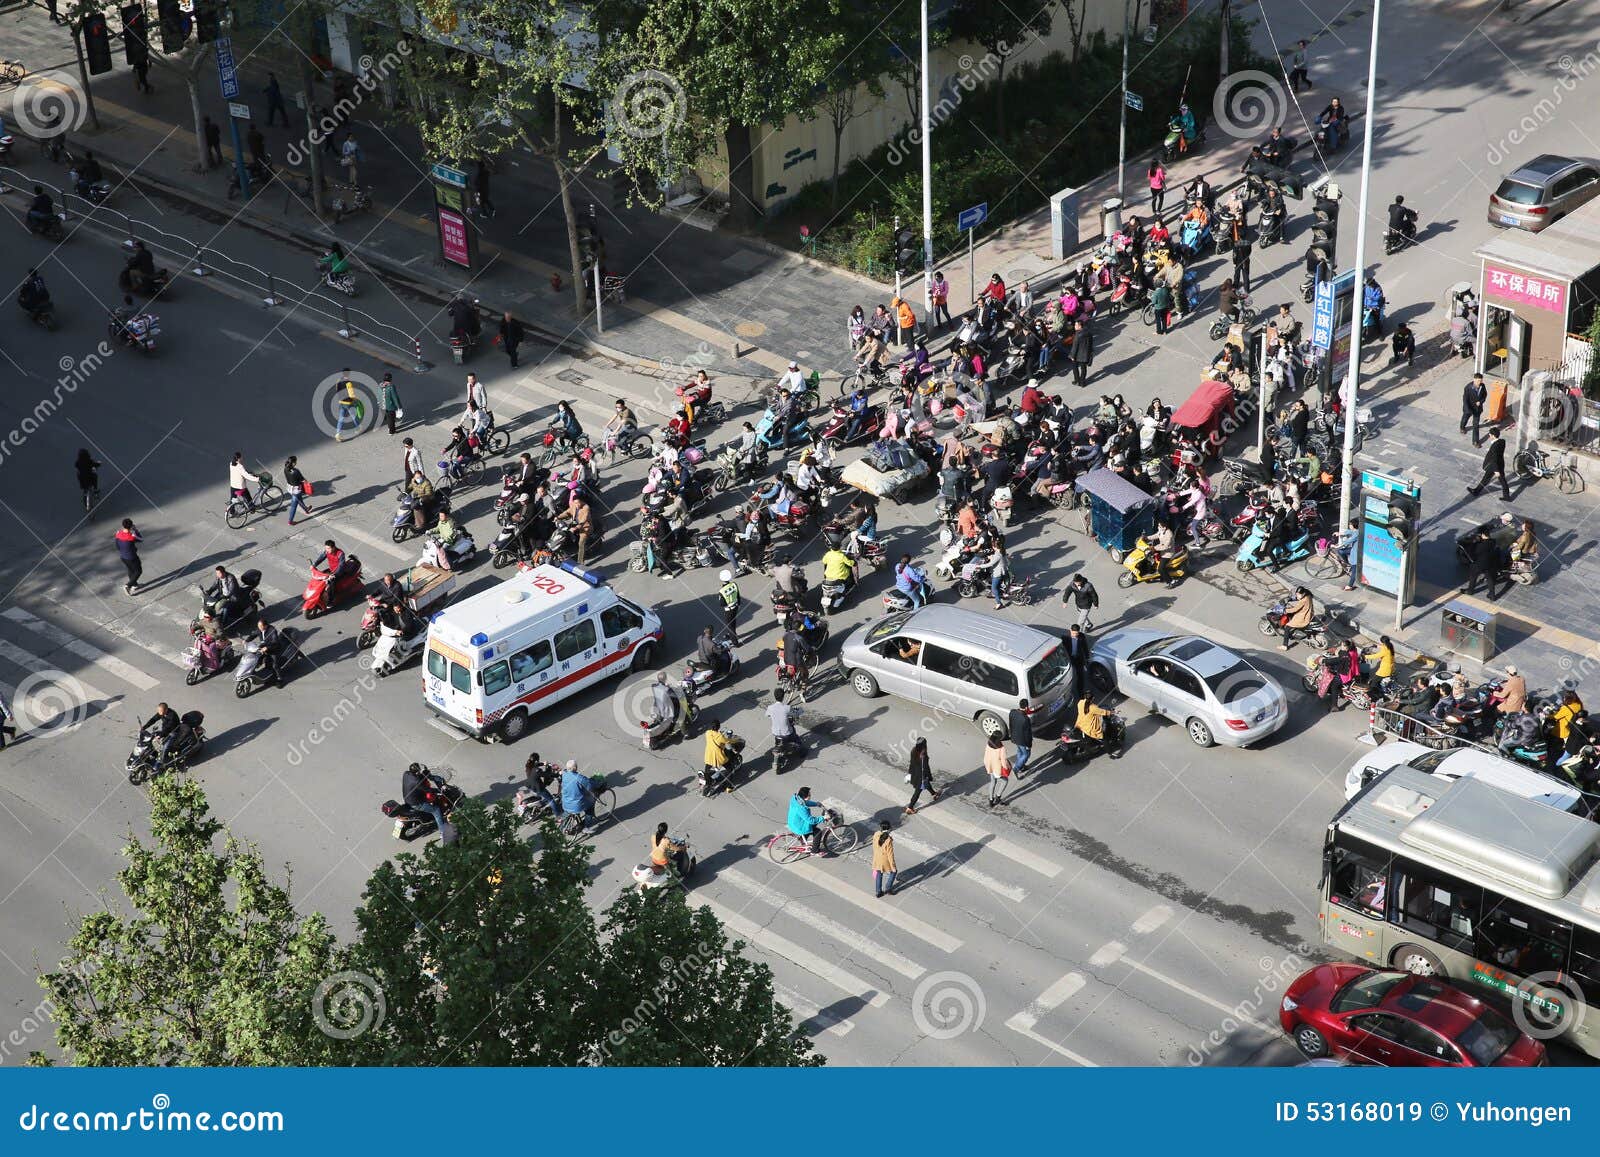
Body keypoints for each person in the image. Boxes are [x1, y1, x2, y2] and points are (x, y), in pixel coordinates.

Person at [1467, 426, 1513, 502]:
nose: (1489, 435)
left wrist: (1496, 470)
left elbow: (1495, 458)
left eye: (1490, 434)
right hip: (1499, 464)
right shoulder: (1502, 441)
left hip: (1494, 466)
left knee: (1502, 480)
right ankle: (1476, 491)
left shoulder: (1495, 446)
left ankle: (1507, 496)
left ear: (1493, 435)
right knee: (1486, 478)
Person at [559, 759, 596, 828]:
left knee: (569, 809)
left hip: (565, 803)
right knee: (590, 807)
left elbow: (562, 772)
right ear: (575, 768)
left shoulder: (564, 774)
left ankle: (565, 821)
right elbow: (589, 785)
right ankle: (586, 827)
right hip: (576, 805)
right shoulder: (579, 778)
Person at [703, 717, 737, 792]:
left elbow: (715, 736)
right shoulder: (721, 737)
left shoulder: (707, 733)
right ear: (718, 726)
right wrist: (733, 742)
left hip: (708, 756)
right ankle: (729, 787)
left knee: (707, 769)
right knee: (730, 769)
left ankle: (707, 779)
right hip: (717, 758)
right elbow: (728, 742)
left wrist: (720, 733)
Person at [788, 786, 827, 854]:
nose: (810, 796)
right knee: (818, 832)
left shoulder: (796, 799)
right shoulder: (801, 808)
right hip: (799, 827)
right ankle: (814, 852)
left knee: (814, 822)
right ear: (805, 797)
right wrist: (823, 818)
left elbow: (805, 802)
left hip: (793, 822)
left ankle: (803, 839)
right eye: (809, 795)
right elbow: (811, 820)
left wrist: (816, 804)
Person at [769, 687, 800, 769]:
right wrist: (799, 711)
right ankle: (801, 750)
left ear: (775, 696)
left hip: (775, 732)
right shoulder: (787, 708)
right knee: (795, 736)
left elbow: (768, 715)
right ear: (783, 697)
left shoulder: (770, 707)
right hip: (786, 733)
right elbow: (795, 714)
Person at [905, 737, 938, 813]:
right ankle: (910, 807)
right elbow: (926, 768)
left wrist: (910, 773)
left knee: (926, 783)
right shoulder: (923, 755)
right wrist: (929, 776)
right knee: (917, 791)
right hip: (921, 776)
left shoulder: (913, 750)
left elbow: (911, 763)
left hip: (914, 773)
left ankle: (934, 793)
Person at [115, 518, 143, 594]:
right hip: (132, 557)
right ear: (131, 526)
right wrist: (135, 530)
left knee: (130, 570)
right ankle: (128, 585)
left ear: (123, 525)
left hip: (123, 557)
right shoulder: (132, 536)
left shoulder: (118, 533)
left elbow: (117, 545)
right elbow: (141, 539)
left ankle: (134, 585)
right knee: (138, 571)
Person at [983, 733, 1011, 808]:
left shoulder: (989, 743)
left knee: (993, 782)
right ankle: (998, 797)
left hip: (989, 765)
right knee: (1005, 781)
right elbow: (1003, 762)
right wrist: (1007, 767)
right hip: (997, 768)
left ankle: (991, 800)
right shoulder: (1001, 748)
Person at [1008, 699, 1034, 777]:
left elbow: (1011, 724)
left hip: (1015, 738)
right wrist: (1029, 745)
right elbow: (1027, 734)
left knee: (1020, 752)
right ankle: (1016, 769)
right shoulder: (1025, 719)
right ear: (1026, 707)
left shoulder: (1012, 712)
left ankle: (1021, 766)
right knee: (1026, 755)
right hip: (1023, 741)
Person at [1461, 373, 1488, 447]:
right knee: (1465, 418)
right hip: (1469, 408)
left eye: (1481, 381)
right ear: (1474, 379)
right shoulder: (1468, 387)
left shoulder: (1482, 386)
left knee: (1476, 425)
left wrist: (1480, 402)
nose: (1480, 382)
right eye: (1478, 381)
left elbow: (1485, 395)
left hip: (1477, 409)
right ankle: (1462, 427)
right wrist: (1467, 409)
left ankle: (1475, 441)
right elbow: (1465, 399)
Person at [872, 821, 897, 898]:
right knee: (894, 872)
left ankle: (878, 892)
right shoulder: (888, 840)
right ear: (889, 829)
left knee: (879, 874)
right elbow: (890, 855)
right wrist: (893, 866)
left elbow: (874, 846)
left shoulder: (876, 834)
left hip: (877, 858)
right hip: (884, 860)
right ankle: (888, 888)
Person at [1068, 319, 1094, 388]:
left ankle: (1077, 380)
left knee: (1075, 368)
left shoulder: (1078, 335)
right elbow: (1091, 343)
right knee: (1083, 368)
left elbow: (1075, 346)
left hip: (1077, 355)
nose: (1074, 326)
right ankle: (1082, 382)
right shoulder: (1088, 332)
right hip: (1085, 354)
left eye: (1076, 325)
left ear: (1080, 326)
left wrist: (1072, 356)